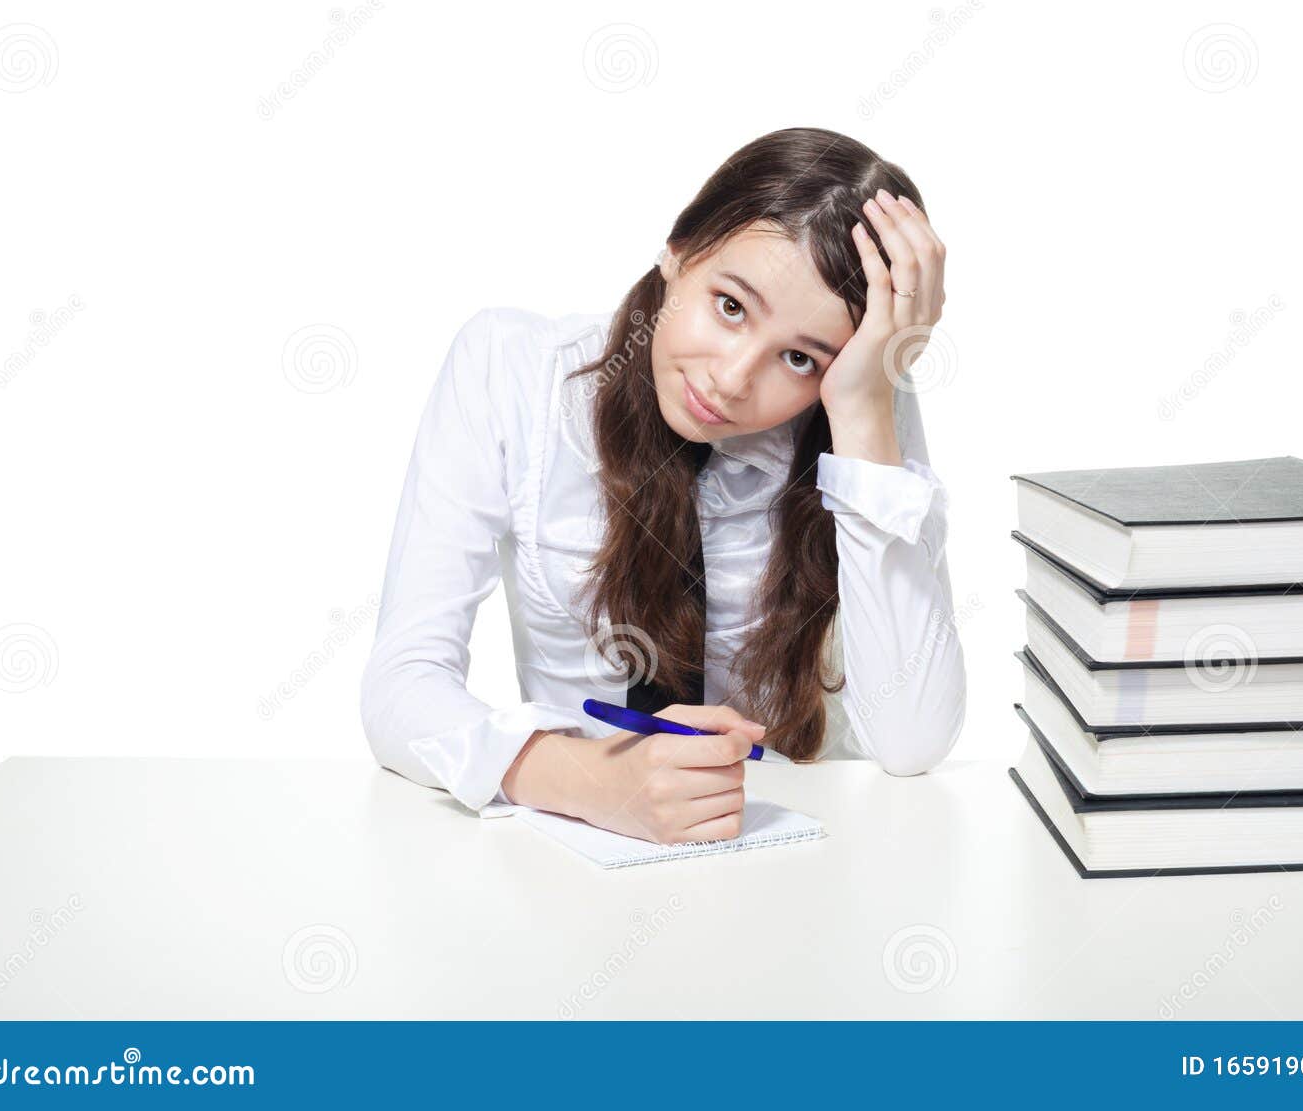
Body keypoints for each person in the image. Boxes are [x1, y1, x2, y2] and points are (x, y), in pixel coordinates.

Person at [360, 126, 965, 844]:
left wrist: (869, 403)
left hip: (802, 852)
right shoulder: (510, 371)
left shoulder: (858, 403)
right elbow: (401, 687)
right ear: (677, 250)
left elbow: (912, 740)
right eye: (731, 306)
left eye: (800, 358)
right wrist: (591, 781)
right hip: (570, 857)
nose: (734, 379)